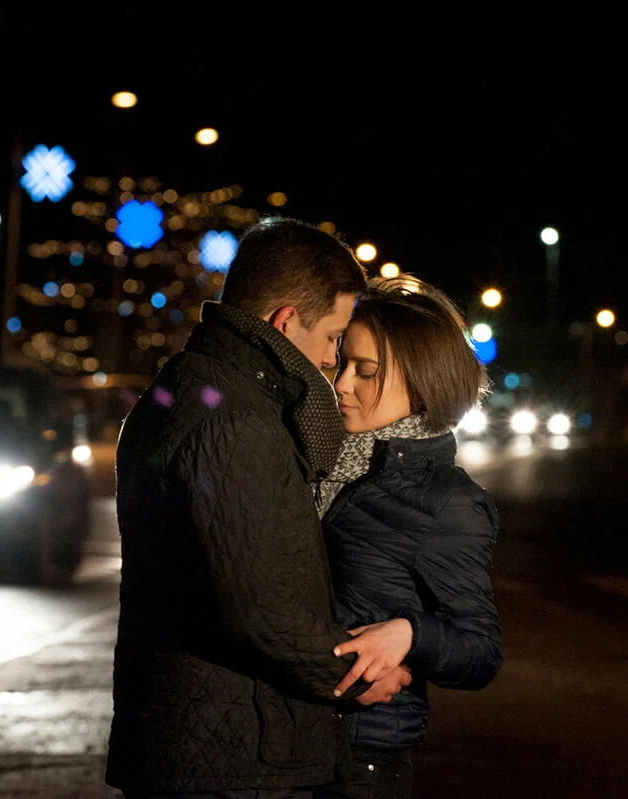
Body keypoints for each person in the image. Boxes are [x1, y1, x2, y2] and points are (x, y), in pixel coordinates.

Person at [106, 218, 413, 799]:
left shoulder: (192, 386)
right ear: (283, 320)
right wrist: (355, 677)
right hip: (231, 752)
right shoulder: (235, 421)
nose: (331, 358)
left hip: (199, 737)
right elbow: (263, 604)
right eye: (330, 337)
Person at [313, 277, 503, 799]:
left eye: (366, 371)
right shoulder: (317, 459)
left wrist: (411, 635)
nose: (343, 383)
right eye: (341, 363)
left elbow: (480, 650)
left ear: (421, 384)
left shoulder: (446, 502)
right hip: (289, 745)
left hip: (361, 761)